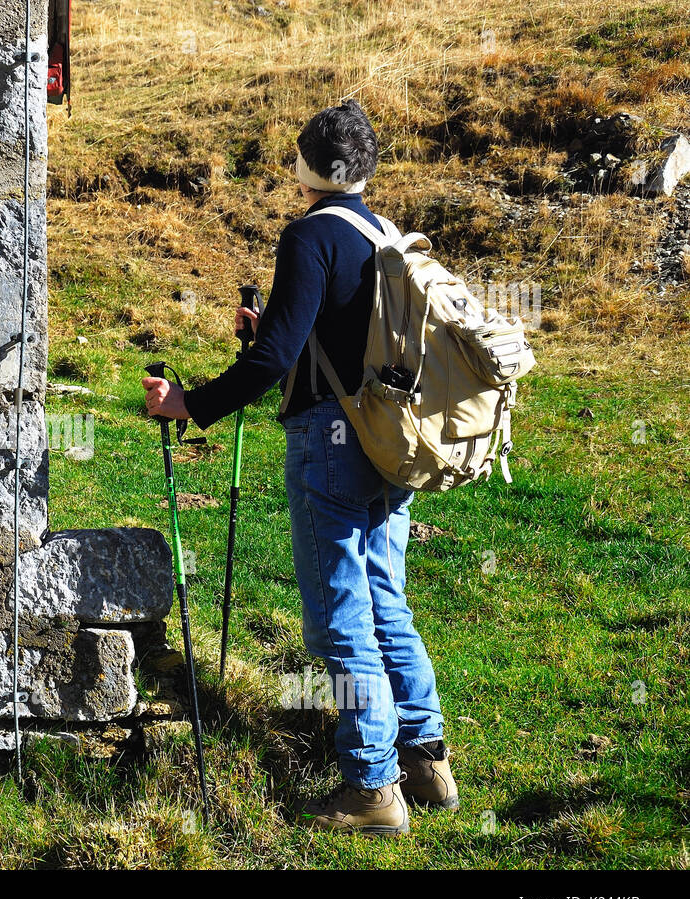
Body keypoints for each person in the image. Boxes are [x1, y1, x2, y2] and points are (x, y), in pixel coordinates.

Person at [141, 100, 457, 835]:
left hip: (331, 443)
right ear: (366, 168)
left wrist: (192, 403)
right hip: (391, 440)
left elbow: (278, 358)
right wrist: (275, 325)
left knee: (340, 618)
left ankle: (371, 788)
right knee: (386, 600)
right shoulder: (385, 235)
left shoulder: (310, 234)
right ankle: (426, 758)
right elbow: (324, 335)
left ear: (304, 166)